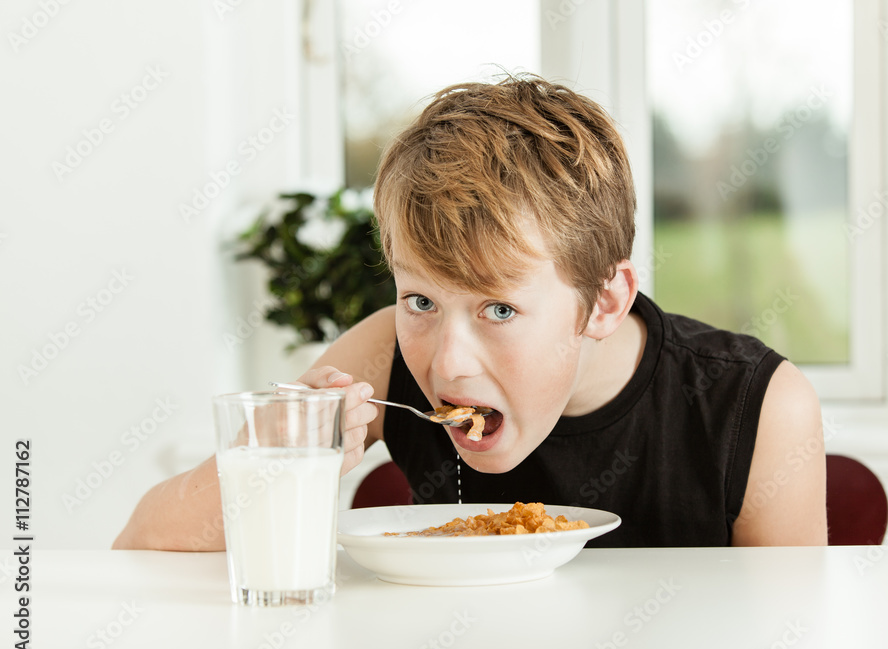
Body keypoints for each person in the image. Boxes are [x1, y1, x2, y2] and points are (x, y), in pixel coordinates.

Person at [113, 74, 826, 551]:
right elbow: (141, 545)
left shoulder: (755, 407)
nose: (445, 362)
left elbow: (790, 637)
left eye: (498, 308)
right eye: (420, 299)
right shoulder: (378, 357)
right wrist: (279, 462)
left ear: (604, 300)